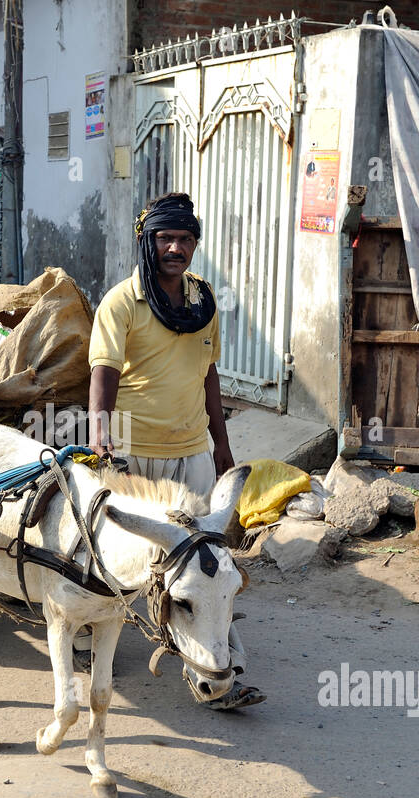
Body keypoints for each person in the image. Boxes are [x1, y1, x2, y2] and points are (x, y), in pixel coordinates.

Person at [86, 191, 265, 711]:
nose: (175, 248)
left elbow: (209, 374)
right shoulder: (122, 301)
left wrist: (222, 444)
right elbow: (103, 375)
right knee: (122, 562)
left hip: (190, 454)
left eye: (185, 239)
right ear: (148, 241)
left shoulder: (203, 301)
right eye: (166, 238)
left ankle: (213, 670)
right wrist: (102, 442)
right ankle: (87, 636)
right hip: (132, 455)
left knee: (198, 567)